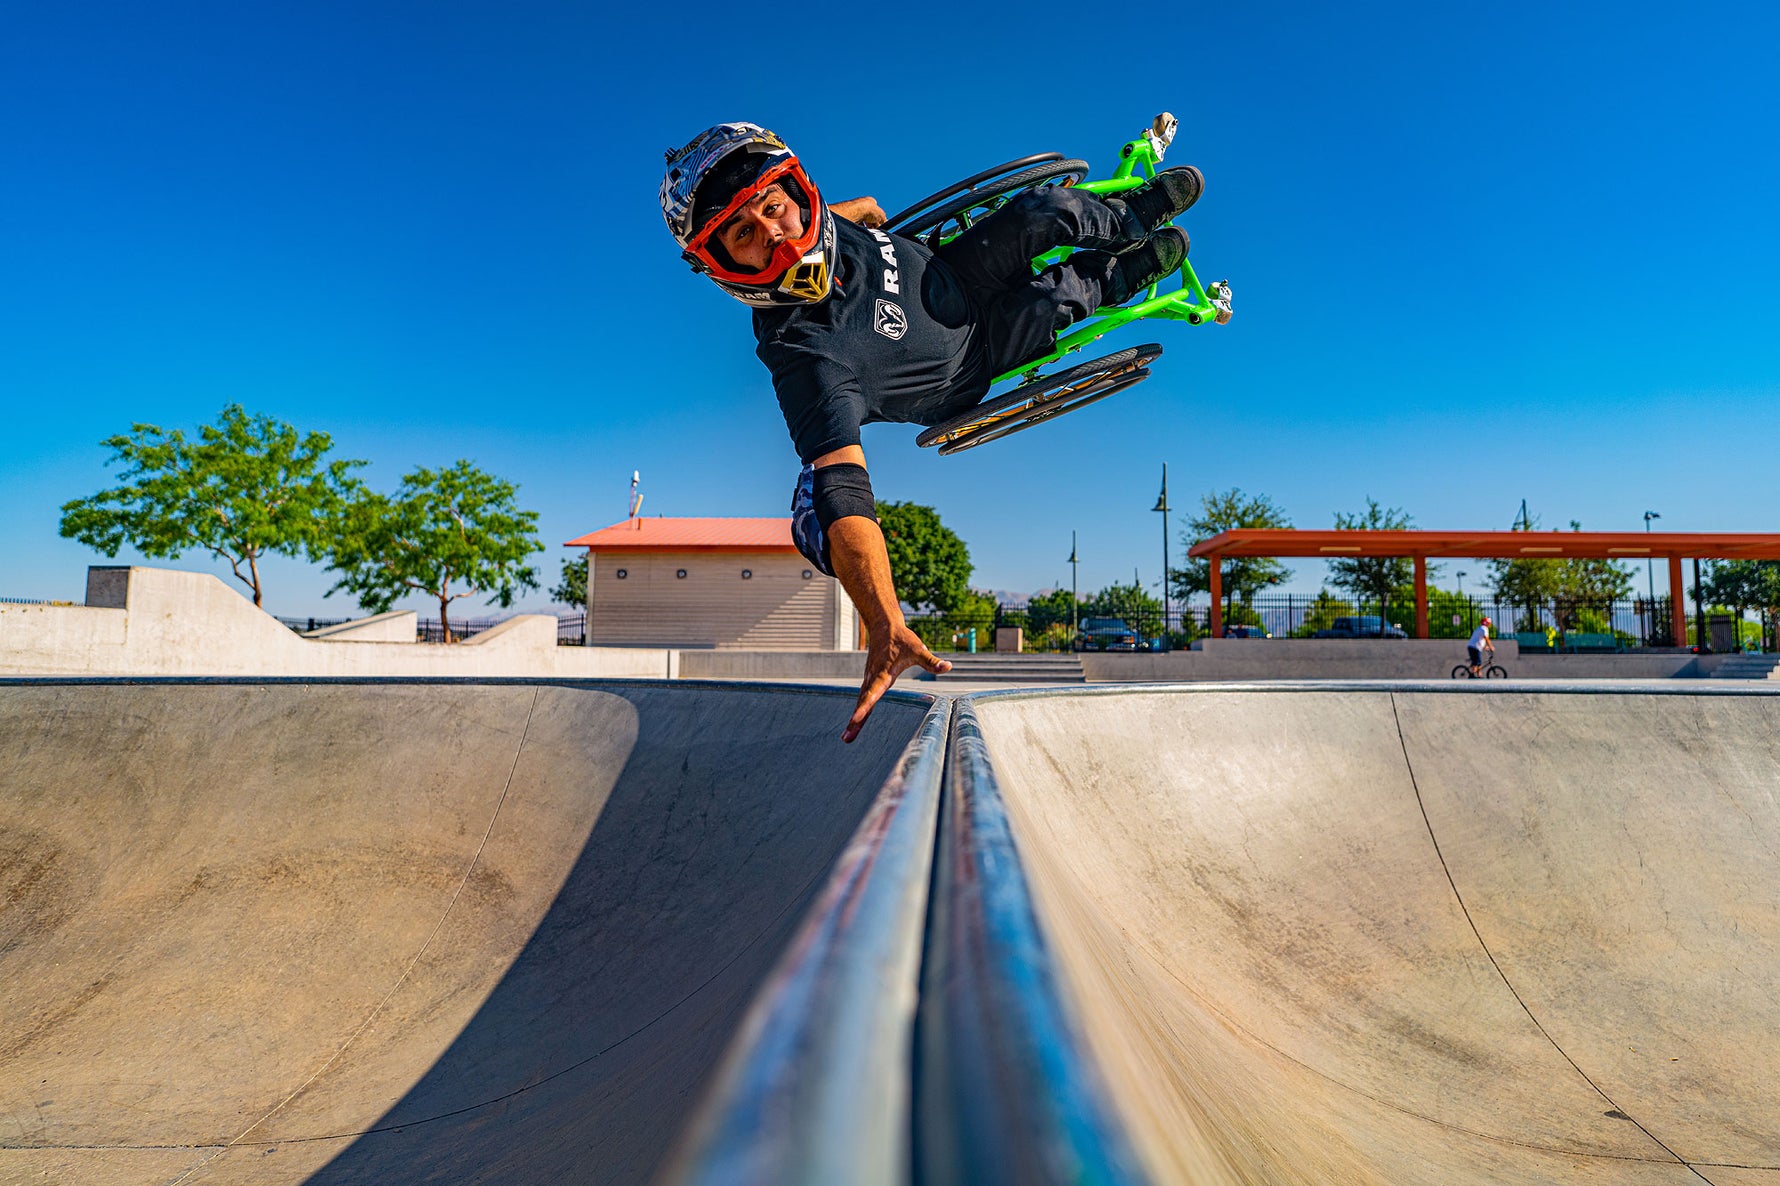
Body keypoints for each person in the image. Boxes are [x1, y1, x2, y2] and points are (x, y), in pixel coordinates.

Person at [661, 122, 1203, 741]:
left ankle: (1127, 218)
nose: (775, 237)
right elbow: (841, 491)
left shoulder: (820, 221)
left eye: (773, 209)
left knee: (1045, 209)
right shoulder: (800, 353)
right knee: (1052, 304)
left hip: (951, 273)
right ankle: (1116, 278)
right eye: (743, 235)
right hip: (967, 363)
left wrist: (854, 211)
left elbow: (836, 212)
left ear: (797, 192)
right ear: (721, 263)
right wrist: (883, 619)